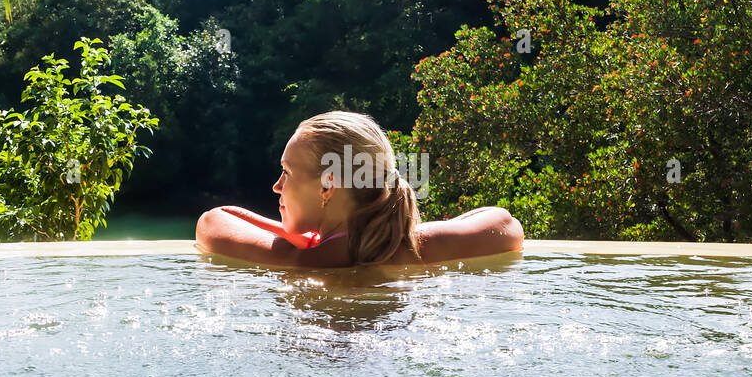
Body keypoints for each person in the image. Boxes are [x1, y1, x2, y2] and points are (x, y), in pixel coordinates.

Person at [195, 111, 523, 267]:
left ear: (327, 187)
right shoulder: (418, 248)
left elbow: (213, 221)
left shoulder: (302, 259)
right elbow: (505, 223)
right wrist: (397, 231)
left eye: (287, 172)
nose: (277, 186)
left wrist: (299, 240)